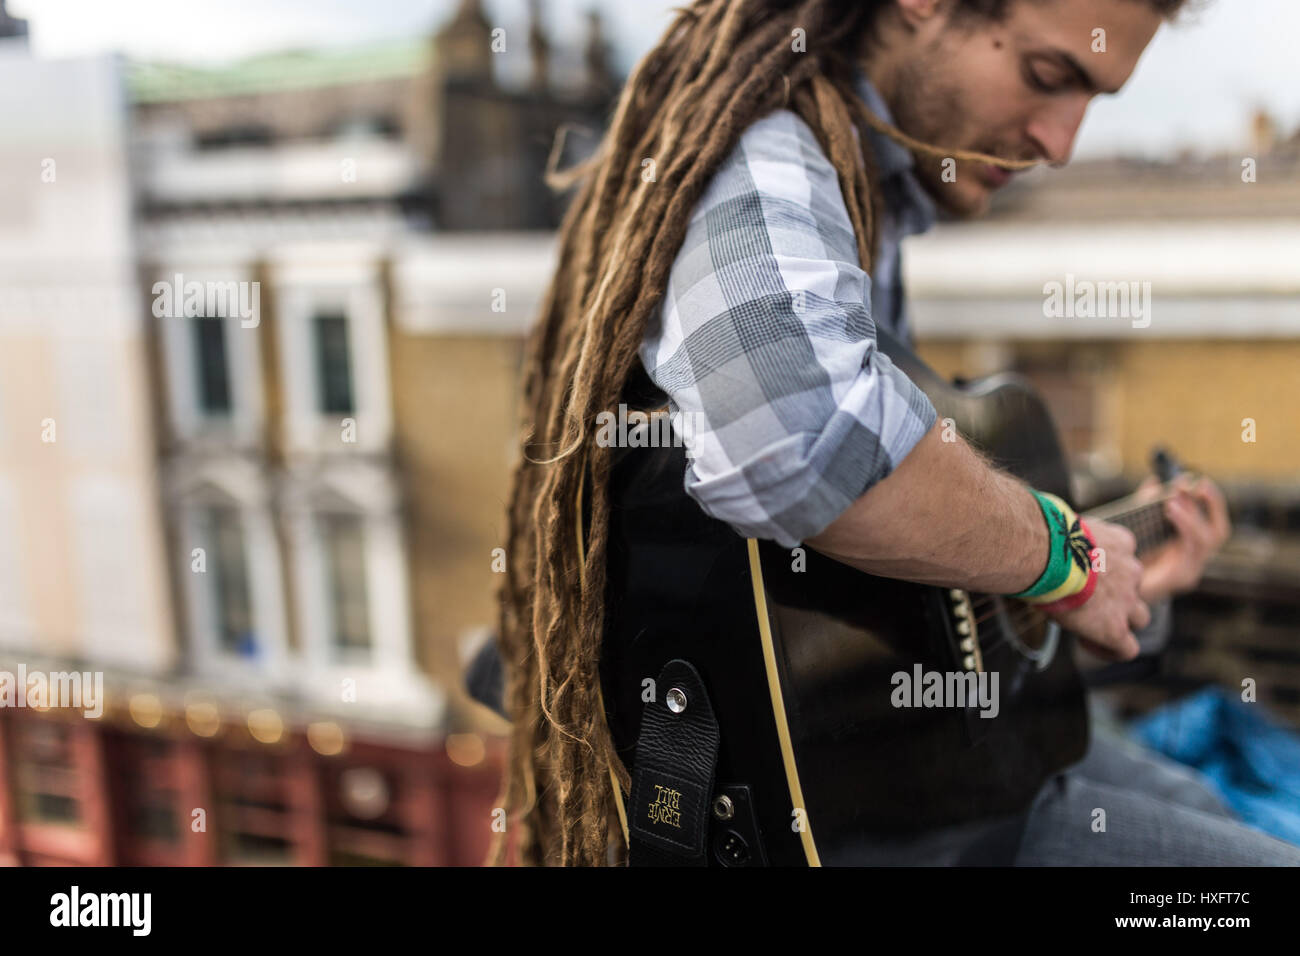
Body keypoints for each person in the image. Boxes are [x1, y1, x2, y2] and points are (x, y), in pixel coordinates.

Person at [492, 0, 1300, 865]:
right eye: (1048, 76)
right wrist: (1072, 556)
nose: (1060, 142)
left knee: (1236, 819)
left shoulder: (869, 182)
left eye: (1094, 99)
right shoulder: (766, 156)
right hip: (849, 823)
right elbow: (800, 443)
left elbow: (891, 619)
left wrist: (1115, 577)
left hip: (902, 764)